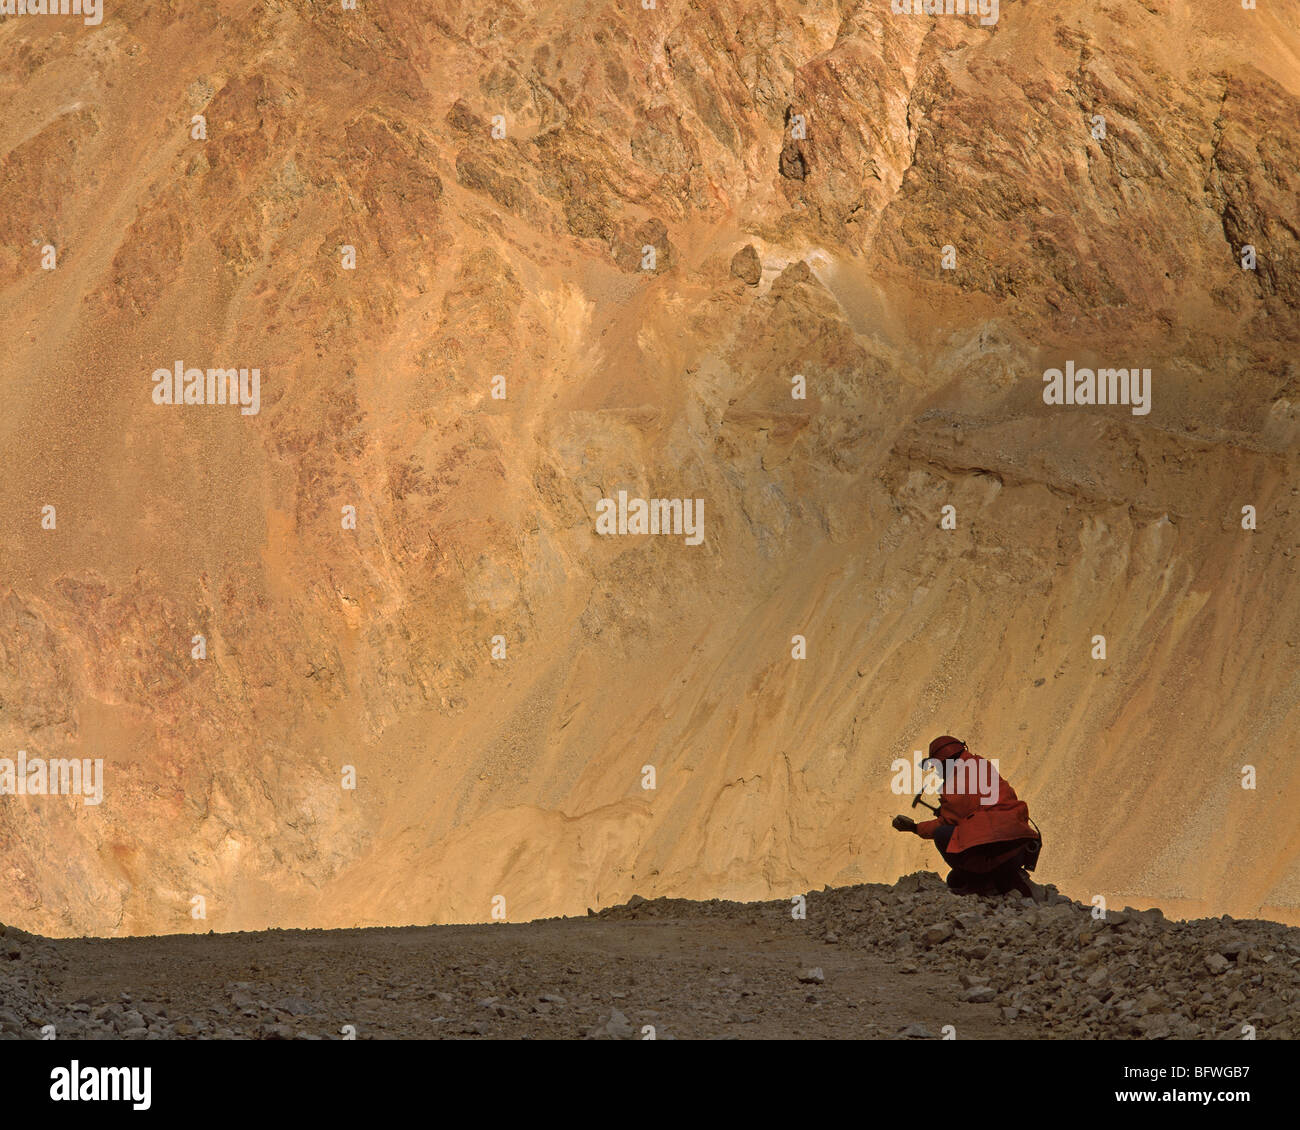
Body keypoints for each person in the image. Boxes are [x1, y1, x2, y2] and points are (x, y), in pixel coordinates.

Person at [892, 735, 1042, 898]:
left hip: (996, 846)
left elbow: (947, 822)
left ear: (944, 762)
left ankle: (982, 884)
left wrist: (915, 828)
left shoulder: (955, 783)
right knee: (955, 878)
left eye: (937, 766)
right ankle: (1005, 877)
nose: (938, 772)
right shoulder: (980, 764)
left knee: (942, 835)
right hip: (1019, 845)